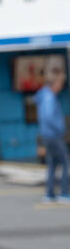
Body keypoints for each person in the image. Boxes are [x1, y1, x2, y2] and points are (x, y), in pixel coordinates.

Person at [35, 68, 70, 204]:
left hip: (47, 135)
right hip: (54, 135)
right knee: (65, 163)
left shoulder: (43, 96)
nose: (61, 87)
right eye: (60, 83)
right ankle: (64, 193)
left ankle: (49, 194)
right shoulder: (49, 97)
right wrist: (60, 128)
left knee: (52, 164)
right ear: (55, 84)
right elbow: (49, 116)